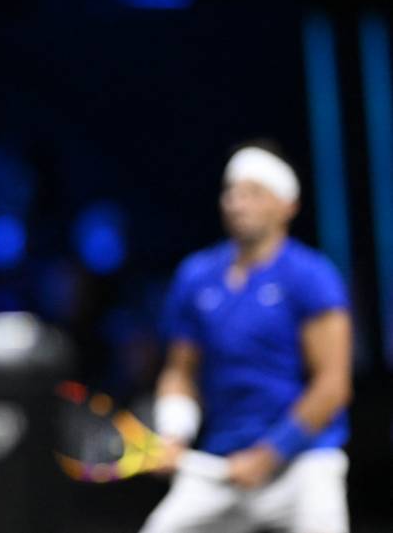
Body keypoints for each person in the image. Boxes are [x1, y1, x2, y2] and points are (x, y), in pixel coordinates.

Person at [140, 143, 352, 533]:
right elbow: (180, 372)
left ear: (287, 206)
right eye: (232, 192)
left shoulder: (312, 275)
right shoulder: (196, 275)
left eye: (254, 193)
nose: (237, 202)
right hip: (219, 464)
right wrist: (174, 433)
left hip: (303, 463)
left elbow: (333, 385)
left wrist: (271, 454)